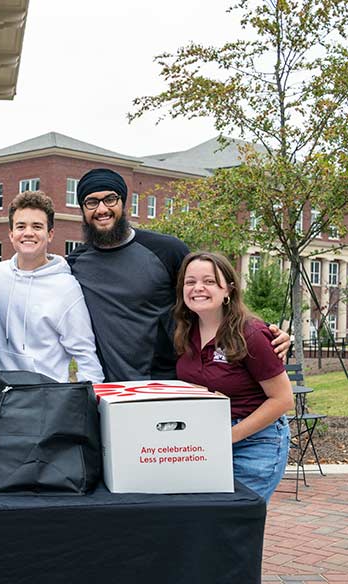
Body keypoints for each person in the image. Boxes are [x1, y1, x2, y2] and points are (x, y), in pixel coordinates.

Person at [67, 168, 290, 381]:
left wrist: (264, 330)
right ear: (83, 210)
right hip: (109, 388)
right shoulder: (75, 264)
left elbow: (210, 295)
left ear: (123, 203)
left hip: (169, 380)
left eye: (110, 199)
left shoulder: (167, 250)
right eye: (92, 202)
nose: (102, 209)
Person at [174, 252, 292, 502]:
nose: (198, 288)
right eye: (190, 281)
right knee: (207, 522)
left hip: (256, 442)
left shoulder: (250, 333)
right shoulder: (185, 331)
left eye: (209, 281)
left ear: (228, 289)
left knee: (234, 524)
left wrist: (228, 436)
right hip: (206, 438)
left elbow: (282, 400)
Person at [0, 191, 103, 383]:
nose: (28, 233)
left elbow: (85, 355)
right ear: (11, 234)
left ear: (50, 234)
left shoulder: (66, 288)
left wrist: (85, 406)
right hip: (1, 400)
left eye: (37, 226)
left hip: (47, 400)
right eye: (20, 226)